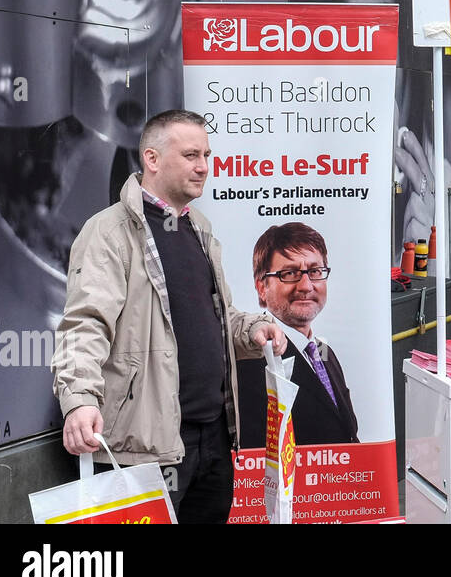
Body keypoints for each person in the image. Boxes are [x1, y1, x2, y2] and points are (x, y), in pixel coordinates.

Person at [51, 110, 286, 523]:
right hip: (144, 446)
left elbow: (218, 318)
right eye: (191, 154)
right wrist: (78, 400)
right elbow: (84, 324)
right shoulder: (109, 232)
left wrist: (253, 330)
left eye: (207, 155)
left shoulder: (200, 228)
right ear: (152, 159)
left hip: (213, 435)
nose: (203, 167)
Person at [237, 223, 360, 449]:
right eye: (290, 273)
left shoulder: (323, 353)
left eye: (314, 272)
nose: (305, 286)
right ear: (261, 288)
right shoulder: (253, 360)